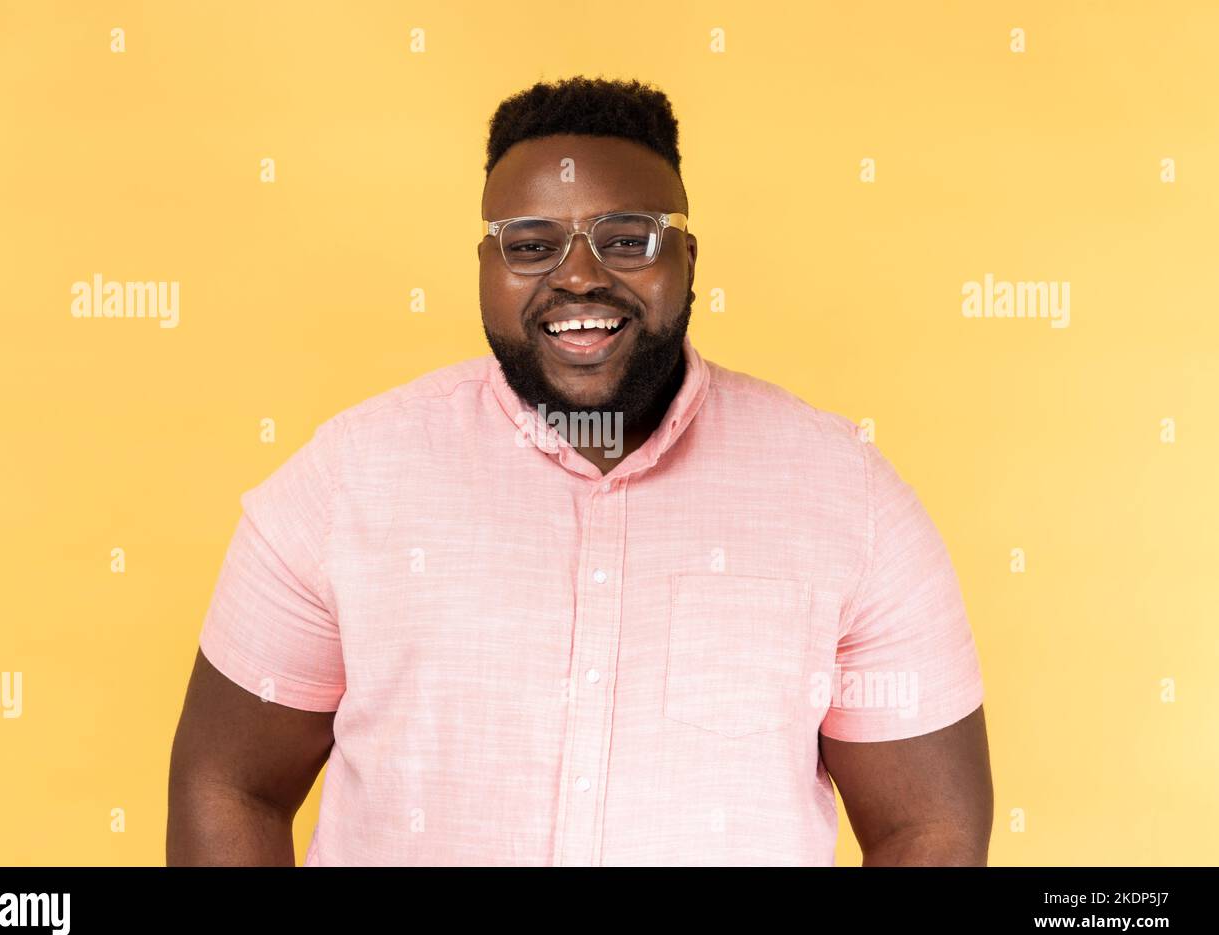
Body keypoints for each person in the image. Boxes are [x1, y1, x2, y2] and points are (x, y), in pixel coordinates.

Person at [167, 75, 992, 866]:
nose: (579, 276)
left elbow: (930, 827)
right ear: (486, 269)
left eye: (626, 239)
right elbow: (229, 782)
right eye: (531, 246)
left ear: (688, 257)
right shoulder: (343, 483)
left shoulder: (850, 499)